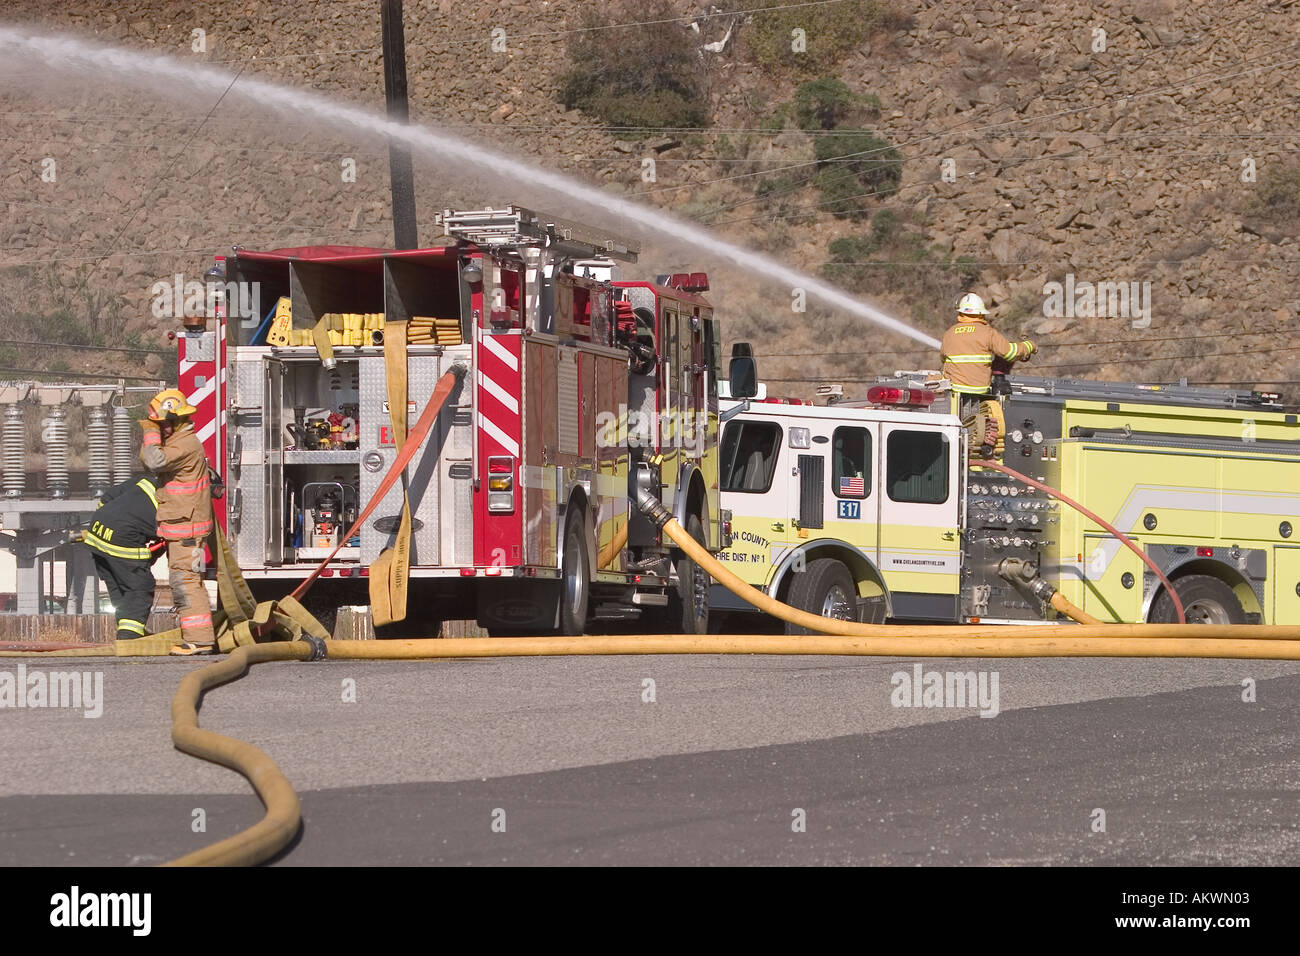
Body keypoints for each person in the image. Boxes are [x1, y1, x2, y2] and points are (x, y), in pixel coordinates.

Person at [139, 389, 216, 655]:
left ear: (173, 420)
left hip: (187, 528)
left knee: (185, 582)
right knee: (185, 580)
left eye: (162, 424)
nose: (161, 429)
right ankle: (197, 637)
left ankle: (200, 640)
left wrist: (150, 431)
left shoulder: (182, 444)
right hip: (182, 526)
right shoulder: (182, 441)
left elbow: (153, 460)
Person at [79, 475, 164, 640]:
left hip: (96, 529)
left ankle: (128, 629)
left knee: (120, 586)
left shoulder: (146, 481)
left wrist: (108, 519)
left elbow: (108, 497)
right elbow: (172, 536)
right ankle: (129, 636)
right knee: (140, 585)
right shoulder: (177, 499)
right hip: (122, 536)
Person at [940, 292, 1036, 414]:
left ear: (961, 313)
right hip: (978, 390)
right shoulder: (987, 333)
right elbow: (1010, 353)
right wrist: (1030, 346)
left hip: (953, 390)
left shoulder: (949, 333)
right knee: (974, 423)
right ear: (981, 314)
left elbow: (943, 358)